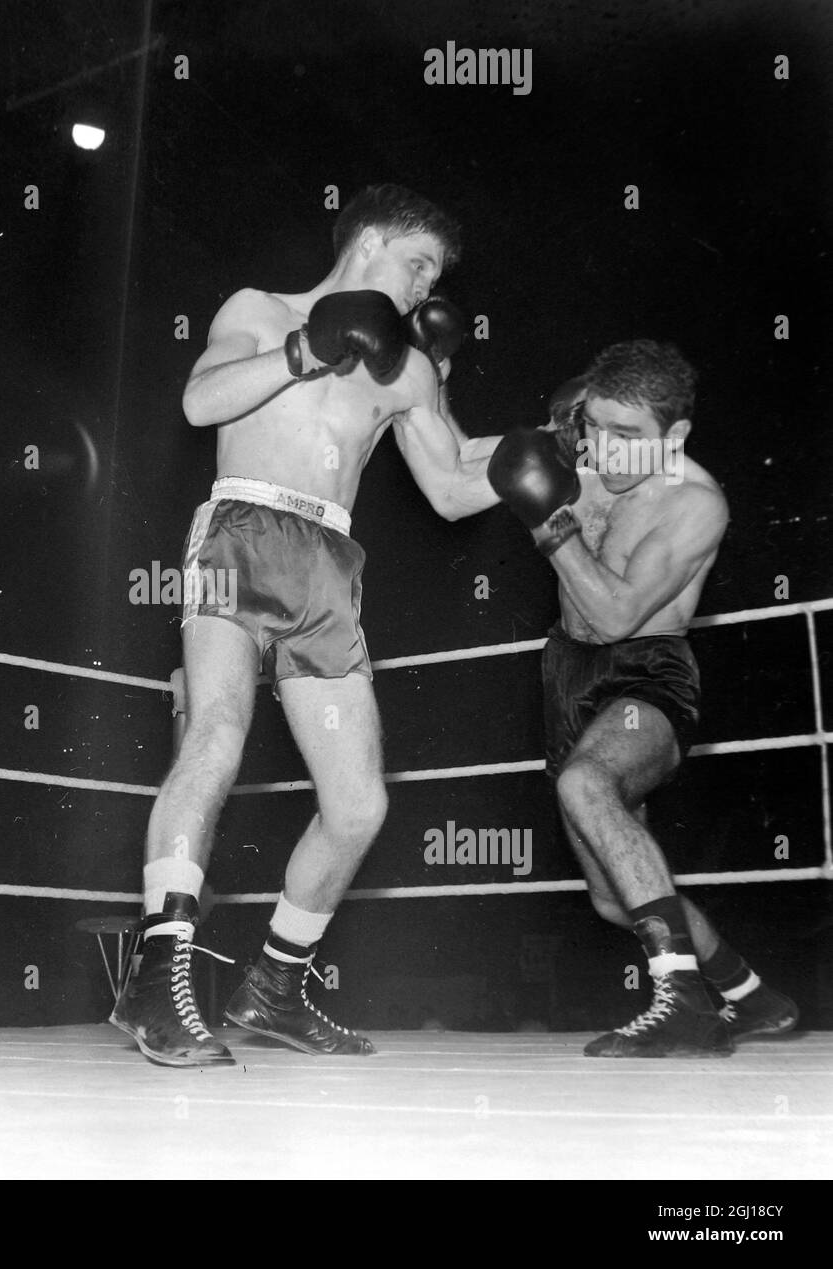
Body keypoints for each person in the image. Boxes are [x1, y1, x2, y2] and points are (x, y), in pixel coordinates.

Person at [112, 184, 503, 1066]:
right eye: (416, 264)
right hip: (243, 530)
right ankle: (155, 978)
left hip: (330, 564)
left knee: (359, 805)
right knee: (214, 736)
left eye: (434, 276)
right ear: (367, 242)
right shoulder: (260, 309)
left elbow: (448, 487)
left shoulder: (409, 368)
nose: (421, 289)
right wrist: (301, 351)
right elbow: (199, 402)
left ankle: (274, 989)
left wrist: (529, 458)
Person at [490, 341, 798, 1057]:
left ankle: (684, 1002)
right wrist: (421, 384)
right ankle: (751, 997)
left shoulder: (696, 504)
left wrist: (550, 521)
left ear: (676, 436)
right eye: (594, 428)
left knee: (586, 781)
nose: (607, 451)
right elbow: (448, 485)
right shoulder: (583, 457)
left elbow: (617, 615)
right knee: (610, 893)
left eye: (629, 437)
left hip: (645, 671)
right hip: (568, 670)